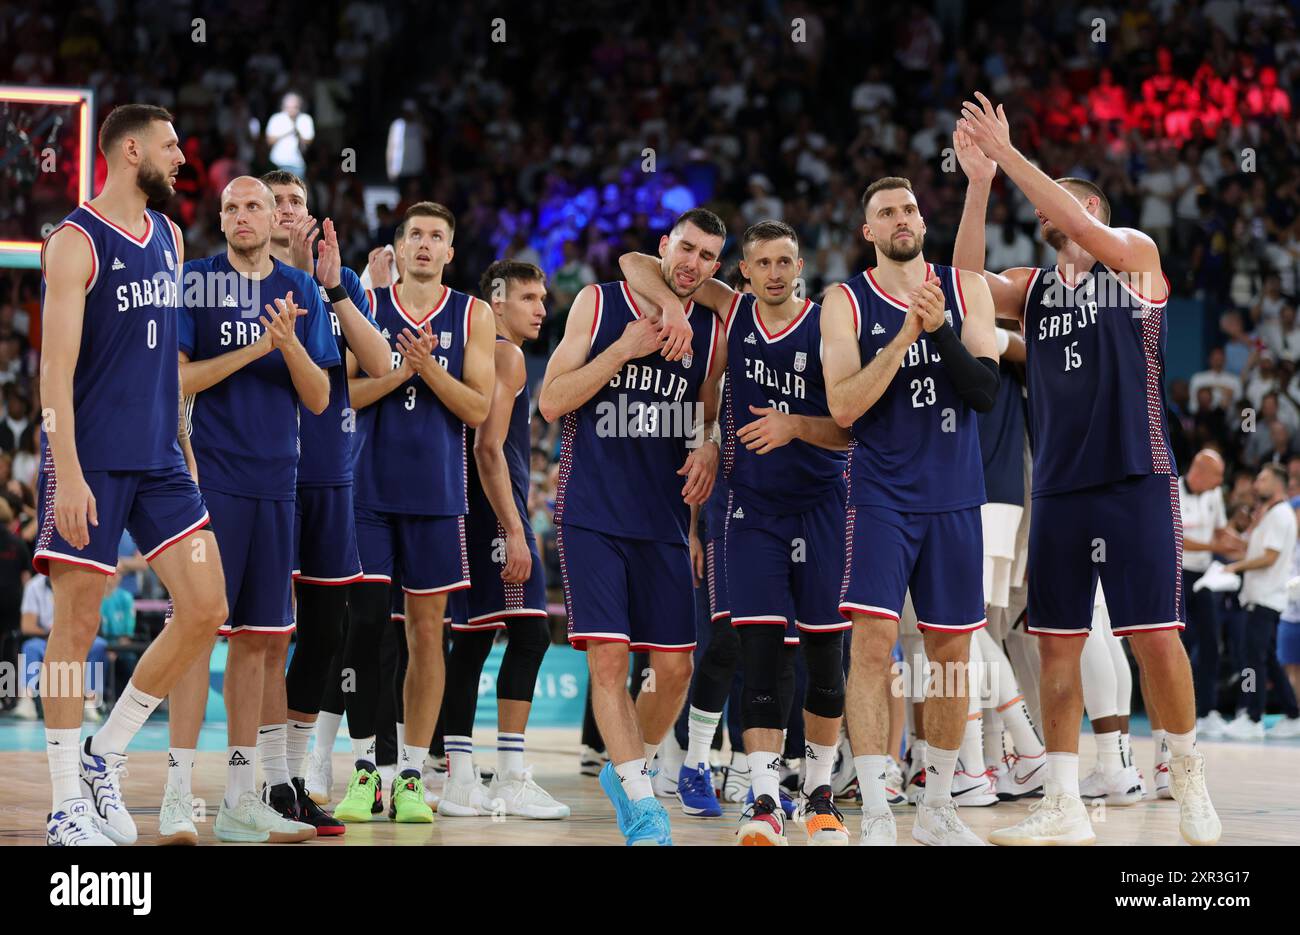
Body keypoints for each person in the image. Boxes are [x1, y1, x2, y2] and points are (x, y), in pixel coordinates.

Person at [955, 93, 1220, 845]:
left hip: (1137, 475)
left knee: (1156, 636)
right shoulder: (1034, 289)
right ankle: (1064, 801)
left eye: (1070, 202)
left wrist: (1010, 156)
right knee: (1057, 644)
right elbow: (968, 300)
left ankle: (1188, 772)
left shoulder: (1134, 257)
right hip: (1061, 486)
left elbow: (1078, 226)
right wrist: (978, 184)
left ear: (1095, 208)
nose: (1053, 213)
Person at [622, 220, 853, 845]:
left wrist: (796, 426)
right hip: (751, 511)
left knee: (825, 657)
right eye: (763, 263)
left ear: (801, 263)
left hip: (823, 505)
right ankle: (764, 797)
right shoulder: (735, 311)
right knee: (757, 657)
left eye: (786, 260)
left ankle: (821, 791)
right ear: (744, 273)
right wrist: (708, 440)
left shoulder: (829, 321)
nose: (776, 272)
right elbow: (635, 260)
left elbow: (851, 426)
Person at [36, 103, 227, 847]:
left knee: (207, 606)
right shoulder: (75, 242)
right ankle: (62, 805)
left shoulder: (173, 236)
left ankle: (102, 756)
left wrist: (184, 442)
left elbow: (158, 362)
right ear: (129, 149)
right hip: (91, 459)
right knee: (75, 626)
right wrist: (70, 471)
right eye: (172, 145)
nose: (182, 157)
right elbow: (52, 372)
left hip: (159, 459)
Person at [821, 175, 999, 846]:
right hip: (880, 495)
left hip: (955, 493)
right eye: (887, 212)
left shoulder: (966, 287)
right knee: (871, 644)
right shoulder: (844, 301)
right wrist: (901, 338)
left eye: (911, 208)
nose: (903, 218)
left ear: (923, 221)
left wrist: (939, 329)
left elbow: (983, 392)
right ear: (868, 231)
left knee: (952, 650)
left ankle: (938, 806)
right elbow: (842, 409)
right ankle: (873, 807)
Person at [538, 208, 725, 845]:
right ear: (663, 246)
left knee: (675, 669)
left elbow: (703, 415)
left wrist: (709, 446)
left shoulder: (711, 329)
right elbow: (550, 401)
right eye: (684, 248)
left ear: (714, 268)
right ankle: (644, 805)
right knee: (610, 663)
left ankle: (628, 769)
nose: (691, 262)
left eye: (705, 256)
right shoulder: (597, 303)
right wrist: (624, 349)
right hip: (591, 510)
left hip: (665, 519)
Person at [161, 175, 336, 845]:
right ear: (222, 217)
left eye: (254, 205)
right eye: (230, 206)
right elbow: (176, 378)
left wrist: (288, 344)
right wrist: (258, 347)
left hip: (279, 482)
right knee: (195, 632)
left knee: (262, 643)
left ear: (276, 217)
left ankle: (239, 795)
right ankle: (178, 792)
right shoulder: (196, 280)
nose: (240, 215)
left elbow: (318, 398)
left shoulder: (303, 292)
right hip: (211, 482)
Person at [330, 202, 495, 826]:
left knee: (428, 635)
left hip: (436, 496)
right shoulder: (369, 302)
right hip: (367, 490)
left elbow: (478, 410)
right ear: (397, 249)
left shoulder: (473, 313)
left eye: (437, 237)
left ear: (451, 252)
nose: (425, 245)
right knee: (367, 628)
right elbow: (347, 389)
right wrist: (404, 371)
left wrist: (427, 369)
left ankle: (410, 775)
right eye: (415, 236)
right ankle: (365, 769)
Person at [259, 169, 391, 835]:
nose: (287, 210)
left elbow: (382, 361)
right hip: (256, 475)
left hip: (330, 473)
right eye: (275, 200)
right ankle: (247, 777)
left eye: (297, 202)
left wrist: (338, 285)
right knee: (260, 631)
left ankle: (286, 779)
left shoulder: (335, 282)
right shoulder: (243, 279)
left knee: (324, 632)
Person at [437, 260, 568, 820]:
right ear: (498, 301)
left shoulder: (474, 350)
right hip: (494, 513)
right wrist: (516, 528)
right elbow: (488, 450)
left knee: (469, 643)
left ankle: (462, 777)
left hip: (462, 508)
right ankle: (510, 773)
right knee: (531, 635)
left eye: (543, 298)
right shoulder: (506, 354)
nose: (542, 308)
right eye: (530, 298)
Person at [1220, 464, 1300, 739]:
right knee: (1268, 660)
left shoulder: (1280, 515)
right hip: (1262, 598)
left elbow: (1270, 557)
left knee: (1253, 661)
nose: (1256, 483)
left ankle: (1253, 718)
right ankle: (1292, 713)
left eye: (1263, 479)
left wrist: (1236, 567)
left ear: (1278, 484)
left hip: (1265, 599)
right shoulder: (1270, 515)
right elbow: (1258, 551)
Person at [1179, 449, 1232, 735]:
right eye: (1218, 475)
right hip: (1178, 574)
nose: (1222, 481)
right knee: (1179, 643)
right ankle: (1180, 713)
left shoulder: (1214, 495)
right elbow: (1179, 538)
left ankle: (1208, 710)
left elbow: (1222, 532)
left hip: (1206, 576)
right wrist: (1218, 548)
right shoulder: (1173, 488)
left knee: (1212, 642)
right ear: (1200, 471)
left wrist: (1245, 545)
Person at [265, 92, 314, 177]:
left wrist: (297, 132)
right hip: (277, 162)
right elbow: (269, 141)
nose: (292, 109)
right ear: (283, 106)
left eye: (295, 107)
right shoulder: (276, 118)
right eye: (288, 107)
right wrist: (287, 132)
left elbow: (309, 141)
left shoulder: (305, 119)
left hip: (297, 164)